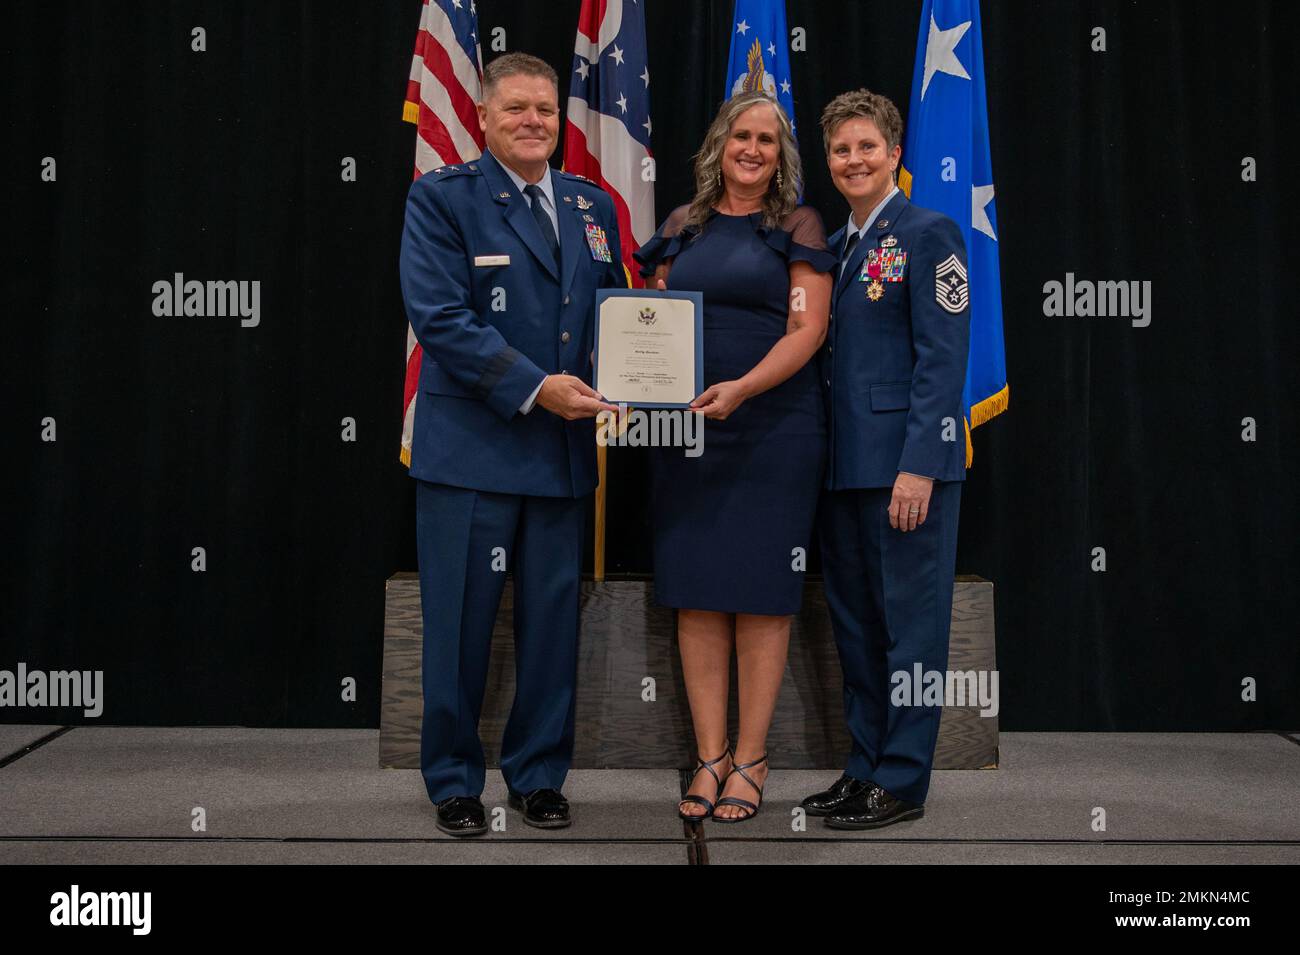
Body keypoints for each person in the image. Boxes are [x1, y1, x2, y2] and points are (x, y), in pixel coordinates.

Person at [398, 53, 625, 836]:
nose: (535, 122)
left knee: (553, 625)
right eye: (518, 109)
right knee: (458, 626)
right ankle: (455, 780)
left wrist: (629, 376)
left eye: (547, 110)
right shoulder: (443, 199)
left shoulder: (594, 204)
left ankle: (538, 775)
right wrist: (539, 386)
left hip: (561, 455)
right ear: (485, 117)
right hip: (472, 451)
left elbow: (613, 314)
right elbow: (441, 317)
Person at [633, 92, 835, 823]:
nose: (753, 149)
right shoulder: (681, 226)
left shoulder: (799, 225)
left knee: (761, 595)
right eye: (742, 135)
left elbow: (806, 332)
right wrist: (635, 388)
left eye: (768, 140)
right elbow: (646, 324)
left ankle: (751, 759)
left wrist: (744, 389)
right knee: (697, 591)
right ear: (719, 142)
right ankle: (709, 756)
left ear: (781, 156)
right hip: (686, 434)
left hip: (774, 430)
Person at [801, 89, 970, 829]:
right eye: (841, 149)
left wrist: (920, 465)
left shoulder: (930, 233)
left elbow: (943, 358)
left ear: (894, 153)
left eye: (867, 146)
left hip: (905, 469)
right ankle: (864, 765)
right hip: (843, 471)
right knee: (860, 630)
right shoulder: (835, 249)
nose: (854, 159)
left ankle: (901, 778)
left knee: (910, 631)